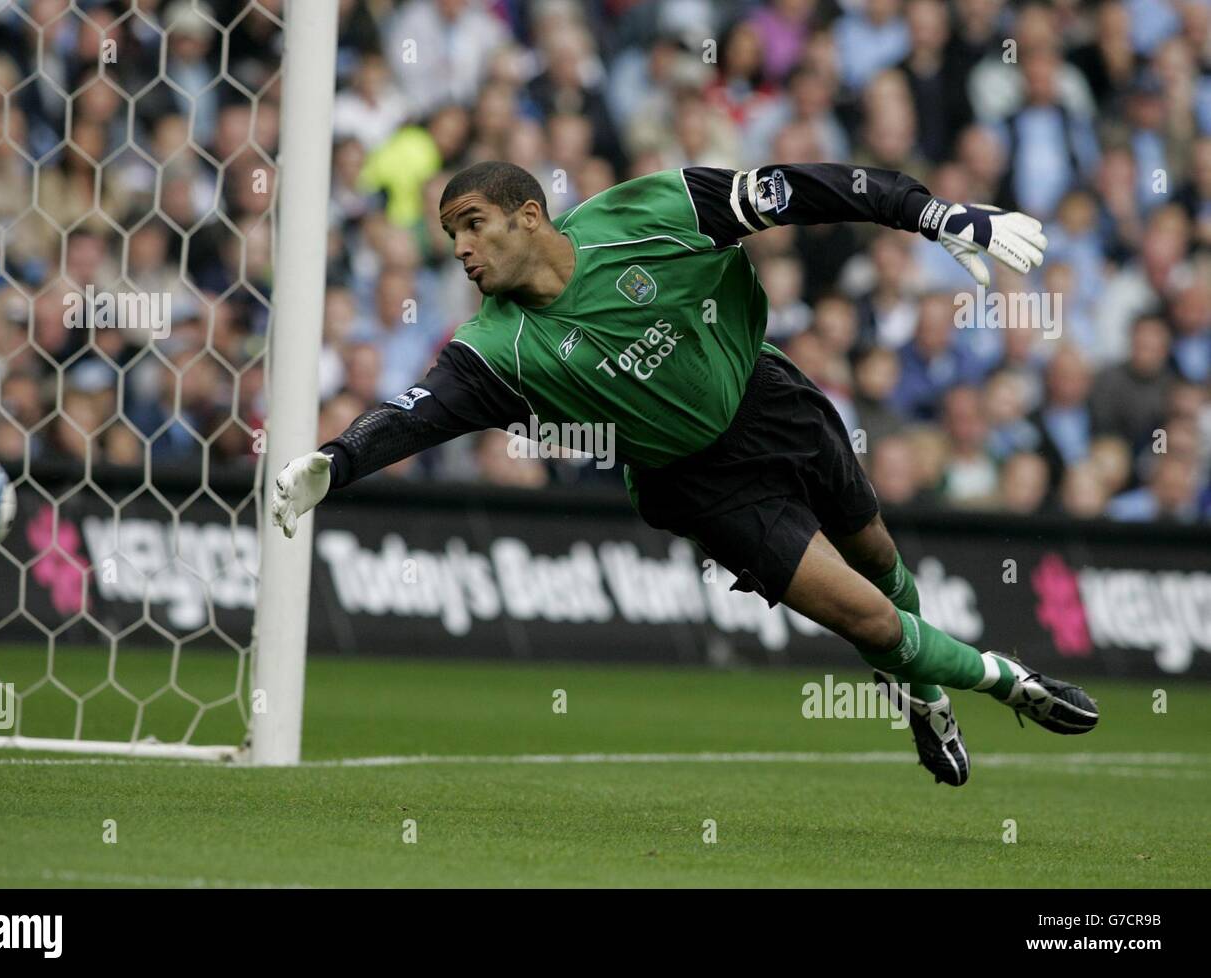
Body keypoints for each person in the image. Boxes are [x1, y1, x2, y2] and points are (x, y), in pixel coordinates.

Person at [272, 160, 1099, 787]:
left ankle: (922, 692)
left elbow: (802, 189)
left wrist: (932, 212)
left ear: (529, 216)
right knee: (871, 623)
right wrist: (335, 462)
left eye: (473, 223)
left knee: (878, 555)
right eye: (450, 234)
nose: (458, 248)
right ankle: (1008, 680)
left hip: (767, 395)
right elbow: (413, 414)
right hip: (699, 485)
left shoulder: (649, 212)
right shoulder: (495, 351)